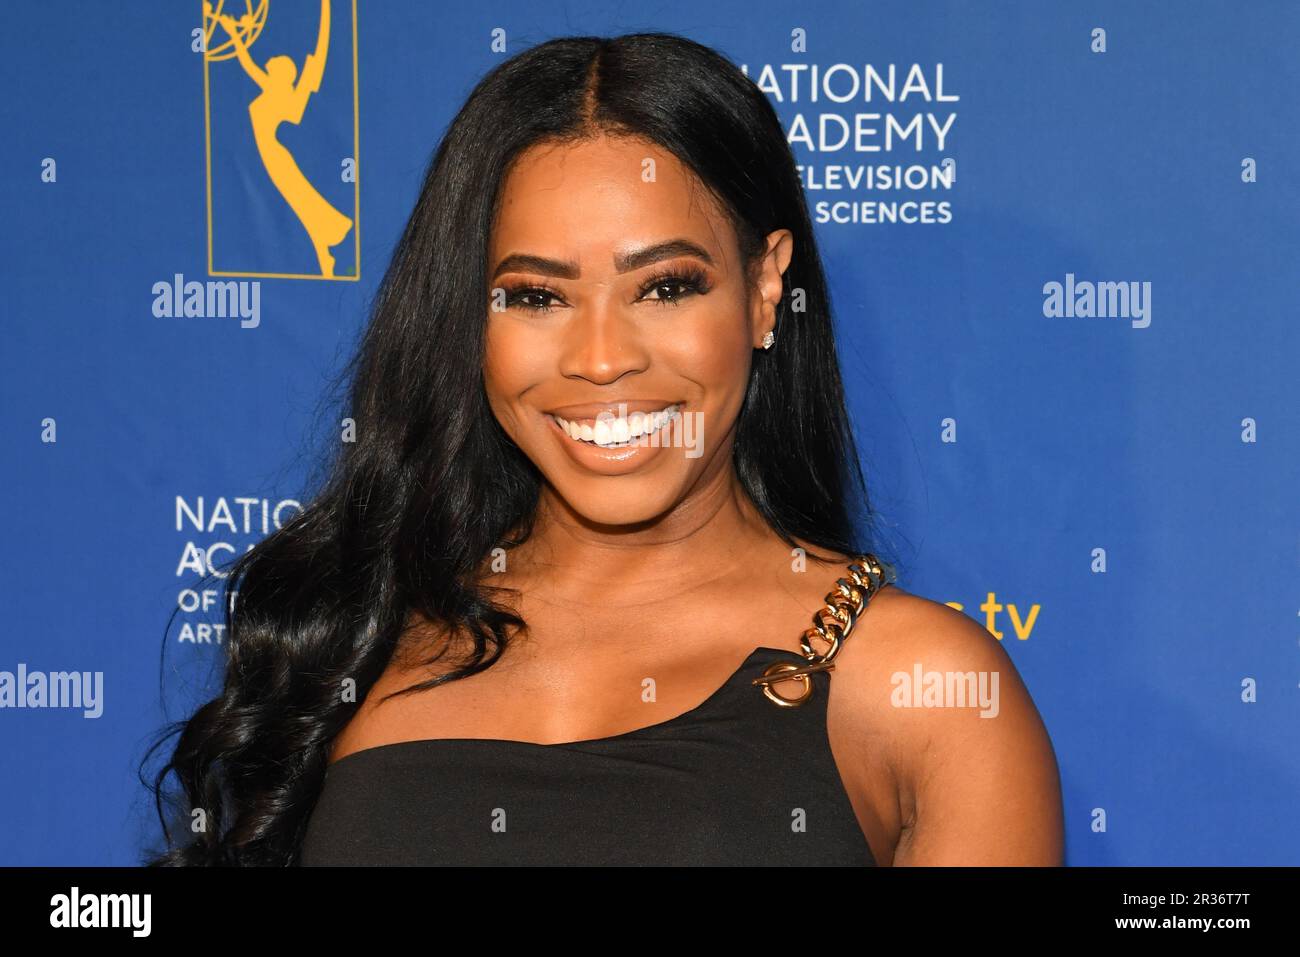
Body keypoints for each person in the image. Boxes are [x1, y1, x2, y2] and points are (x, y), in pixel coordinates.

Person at [144, 32, 1063, 866]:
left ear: (763, 285)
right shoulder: (359, 628)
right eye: (537, 296)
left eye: (664, 287)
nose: (601, 359)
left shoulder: (925, 693)